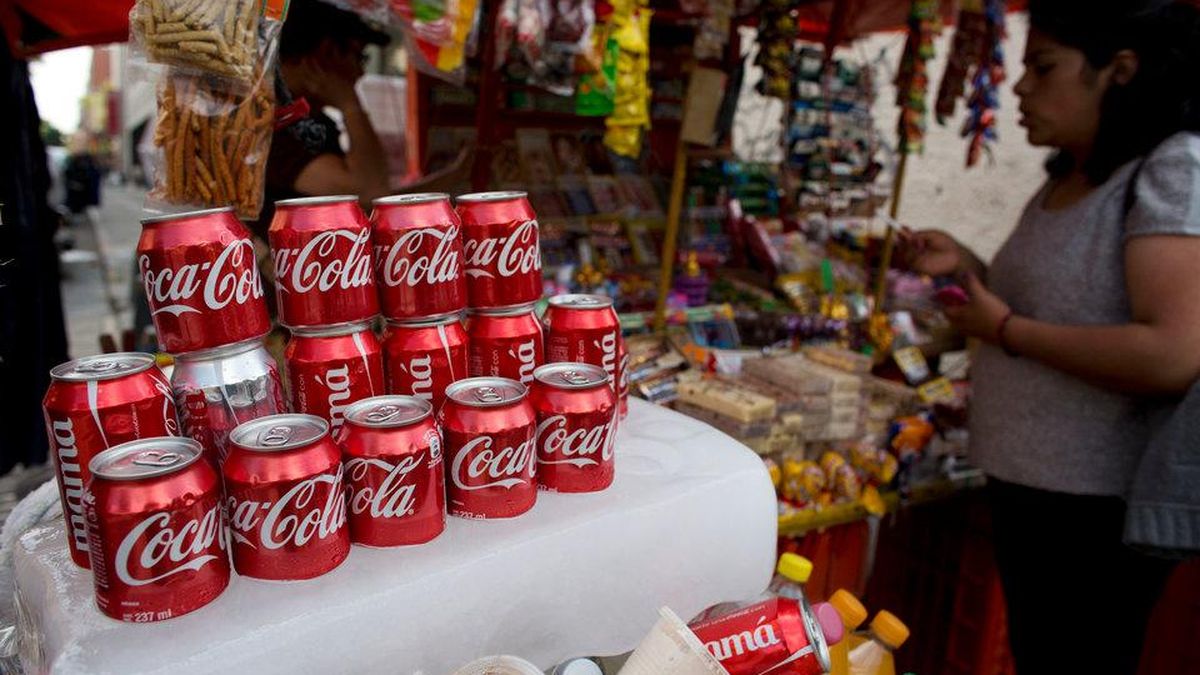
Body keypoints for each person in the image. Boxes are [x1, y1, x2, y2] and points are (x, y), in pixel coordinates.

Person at [900, 2, 1200, 673]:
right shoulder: (1073, 173)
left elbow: (1175, 351)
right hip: (1034, 494)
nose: (1019, 88)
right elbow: (1063, 307)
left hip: (1093, 514)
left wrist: (1004, 329)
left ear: (1118, 71)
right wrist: (969, 266)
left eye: (1043, 67)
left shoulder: (1172, 170)